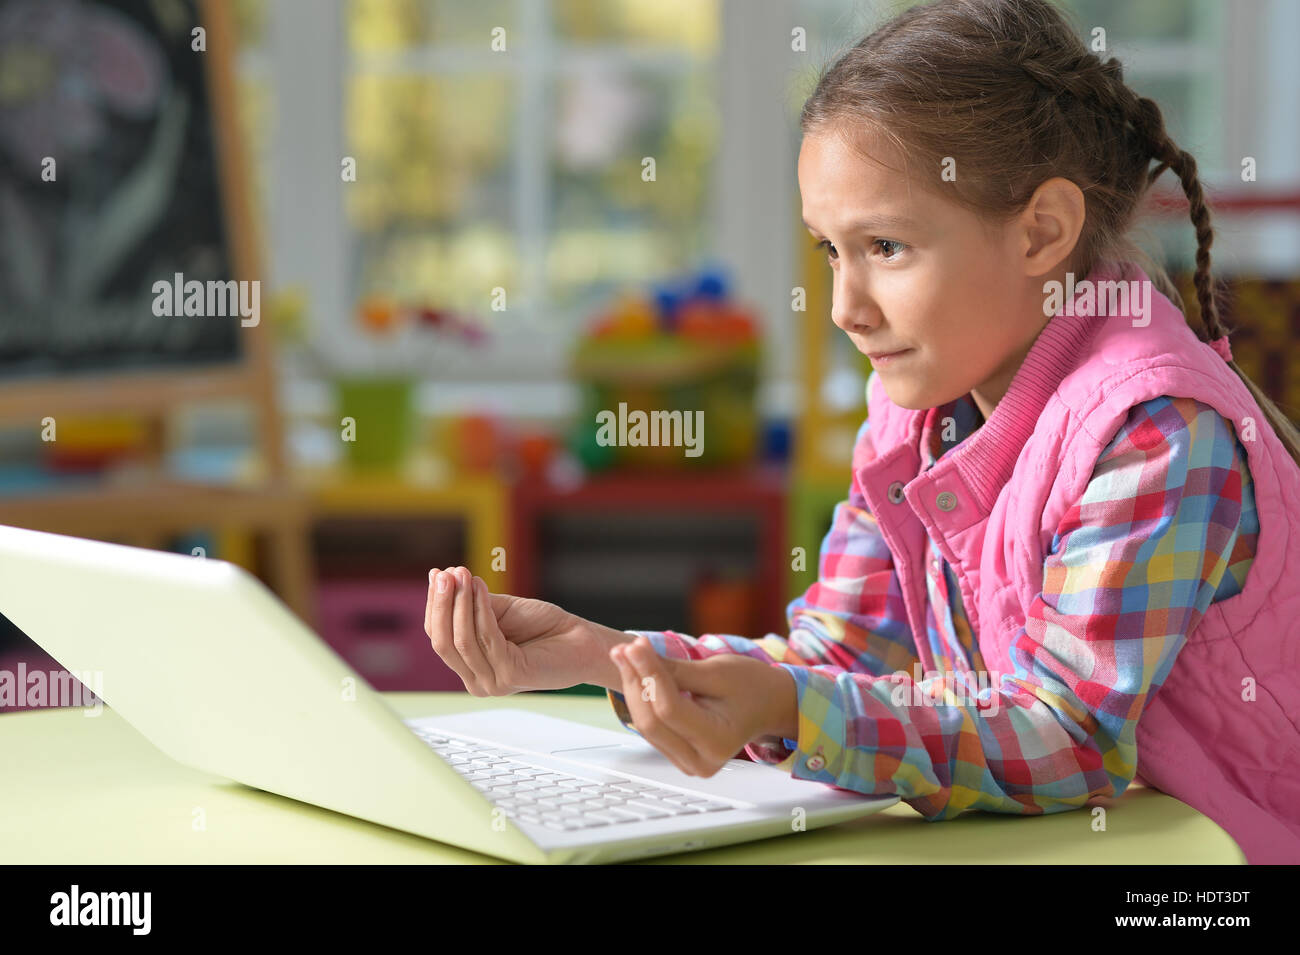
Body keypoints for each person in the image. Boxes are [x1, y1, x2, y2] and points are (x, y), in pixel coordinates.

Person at [424, 0, 1300, 864]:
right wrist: (615, 658)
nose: (845, 307)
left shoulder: (1152, 433)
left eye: (885, 246)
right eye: (829, 251)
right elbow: (833, 654)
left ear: (1042, 231)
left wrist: (786, 706)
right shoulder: (914, 411)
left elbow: (1064, 735)